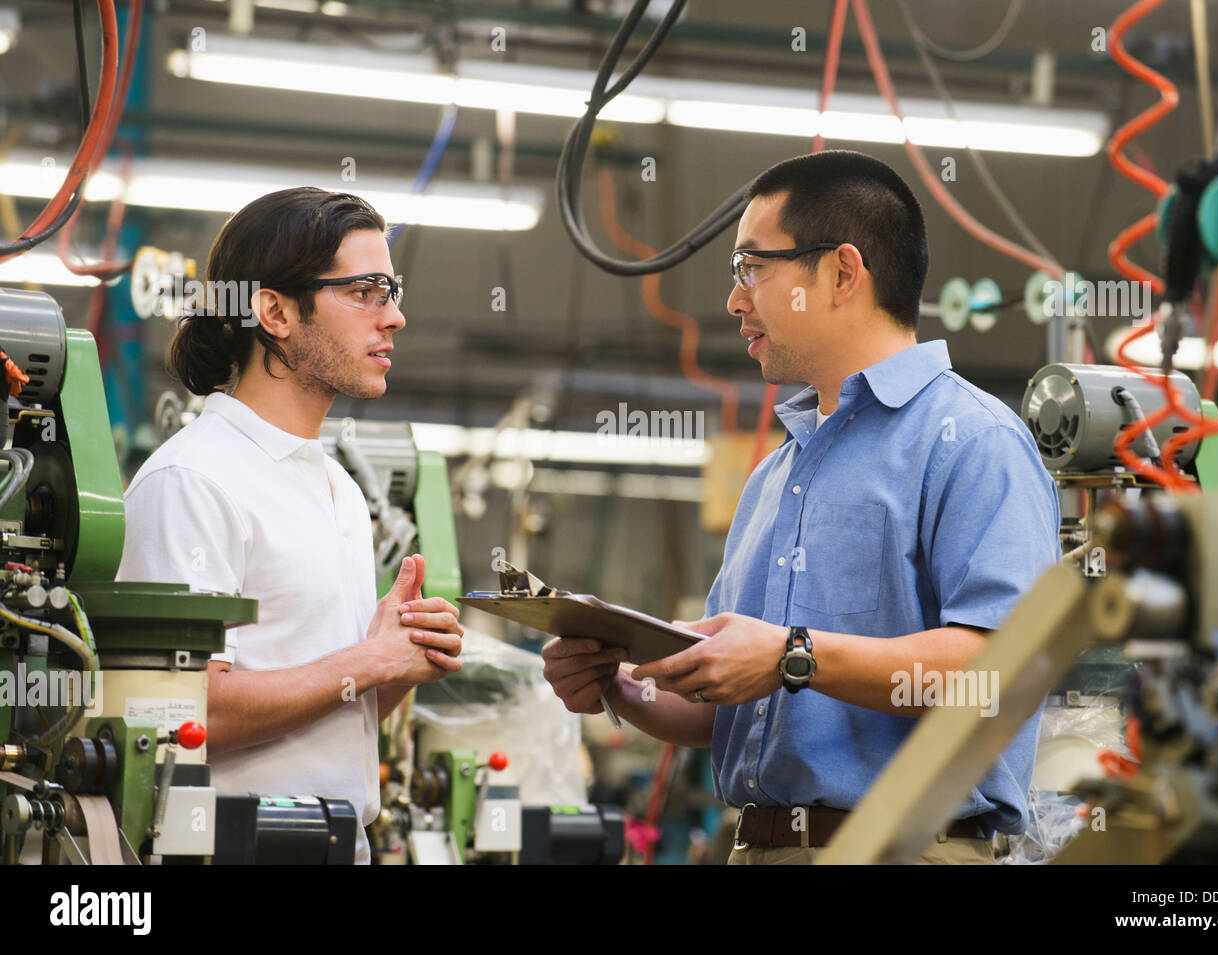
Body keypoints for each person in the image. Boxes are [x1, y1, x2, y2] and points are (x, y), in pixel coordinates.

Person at [540, 151, 1061, 865]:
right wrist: (623, 685)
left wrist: (793, 655)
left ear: (842, 272)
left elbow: (997, 670)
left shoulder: (973, 442)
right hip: (758, 847)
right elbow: (729, 702)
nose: (734, 300)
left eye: (752, 267)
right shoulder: (773, 476)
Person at [117, 187, 464, 864]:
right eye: (365, 290)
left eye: (390, 290)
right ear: (273, 309)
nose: (394, 316)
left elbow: (335, 718)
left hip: (341, 844)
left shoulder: (336, 487)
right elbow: (184, 713)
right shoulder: (192, 480)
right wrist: (366, 661)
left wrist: (398, 662)